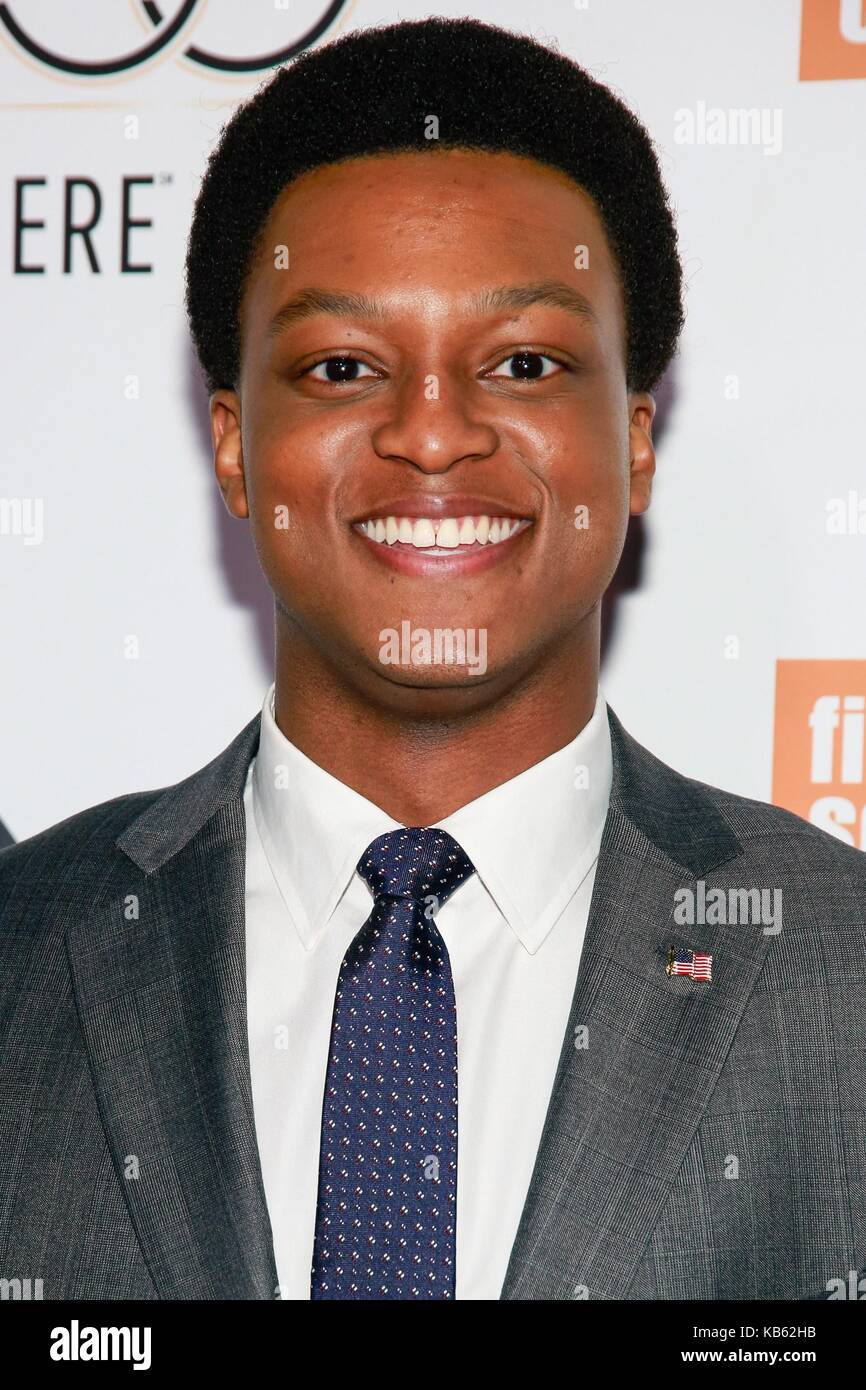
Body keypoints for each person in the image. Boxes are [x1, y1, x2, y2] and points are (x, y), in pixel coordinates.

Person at [1, 16, 863, 1302]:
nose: (432, 432)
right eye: (342, 366)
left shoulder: (836, 971)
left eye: (522, 361)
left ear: (633, 442)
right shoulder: (28, 946)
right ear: (233, 447)